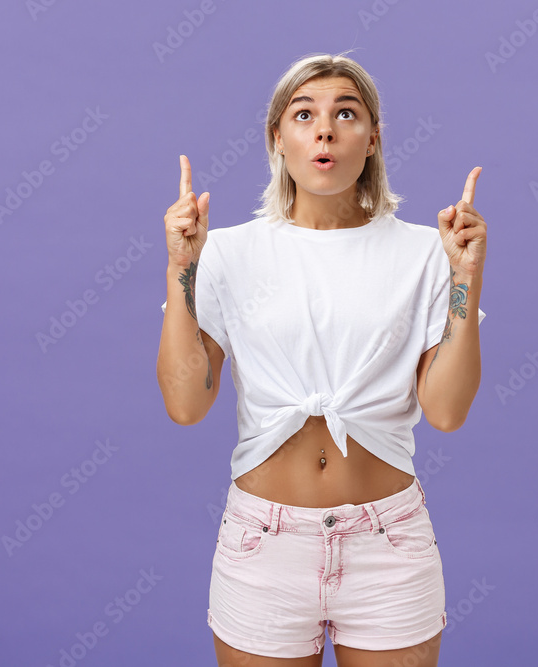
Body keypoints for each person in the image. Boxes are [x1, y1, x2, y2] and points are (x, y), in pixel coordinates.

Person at [158, 51, 486, 666]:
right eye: (304, 114)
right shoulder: (227, 252)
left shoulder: (424, 253)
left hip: (387, 545)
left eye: (346, 113)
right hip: (264, 546)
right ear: (278, 139)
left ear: (373, 137)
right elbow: (184, 403)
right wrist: (183, 268)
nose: (325, 129)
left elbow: (445, 412)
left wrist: (464, 281)